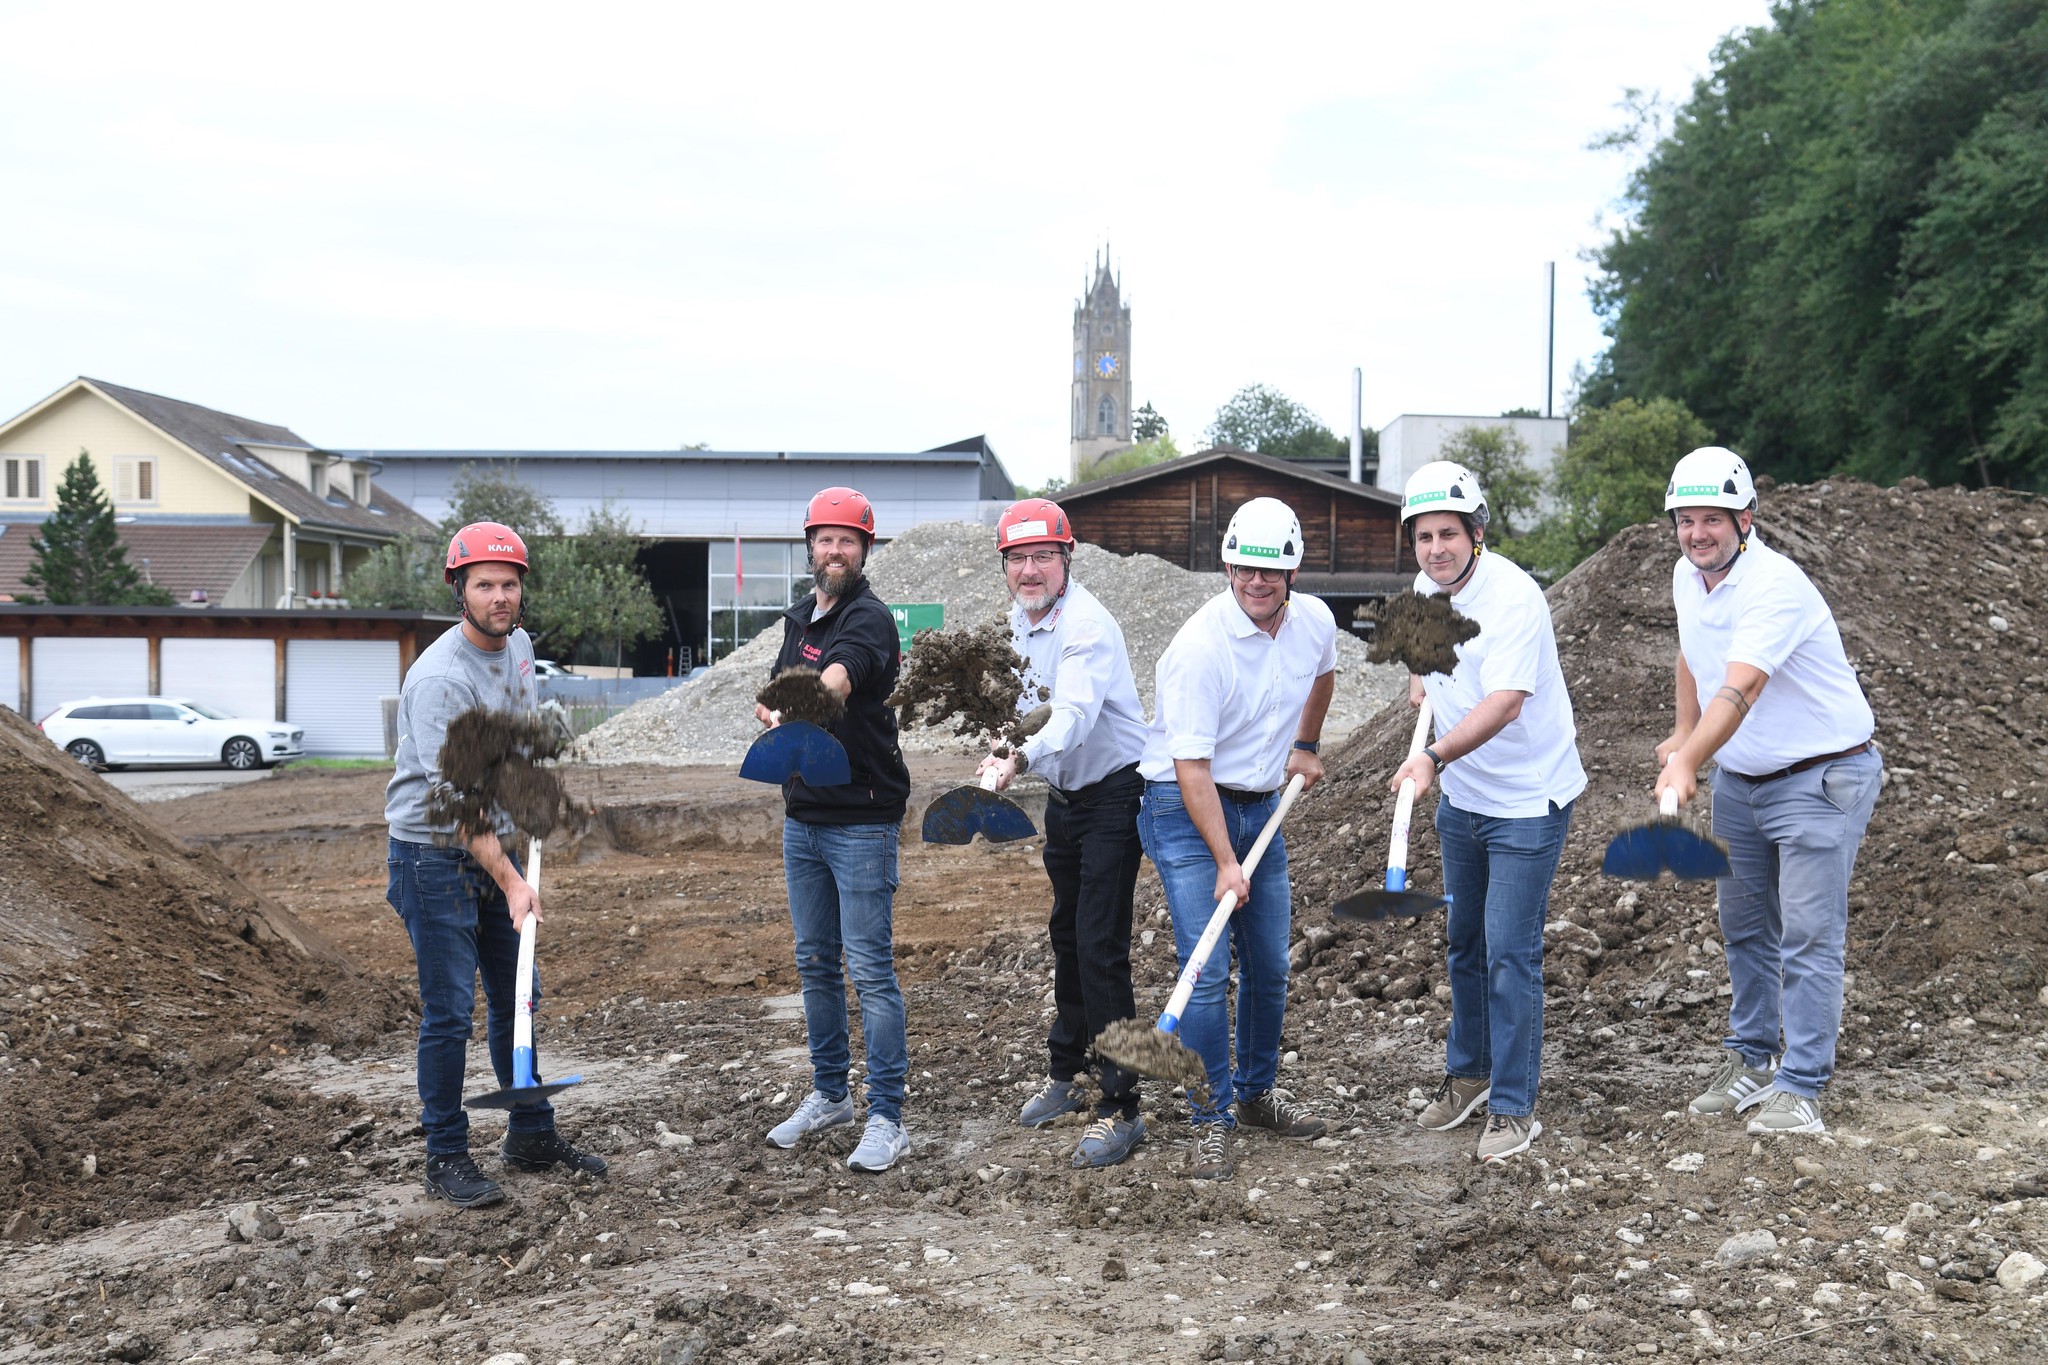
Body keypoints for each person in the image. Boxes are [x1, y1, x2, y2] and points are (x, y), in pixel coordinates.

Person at [1654, 448, 1879, 1136]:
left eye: (1712, 519)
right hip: (1745, 780)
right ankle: (1752, 1060)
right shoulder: (1688, 578)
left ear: (1745, 518)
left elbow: (1743, 685)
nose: (1697, 534)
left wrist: (1690, 758)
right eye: (1686, 520)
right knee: (1746, 927)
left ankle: (1801, 1085)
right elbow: (1693, 655)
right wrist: (1682, 731)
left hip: (1821, 777)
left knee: (1809, 933)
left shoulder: (1774, 585)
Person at [385, 520, 607, 1209]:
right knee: (450, 1012)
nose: (500, 596)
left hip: (498, 847)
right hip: (434, 856)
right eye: (484, 584)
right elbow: (458, 804)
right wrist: (511, 880)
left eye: (509, 583)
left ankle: (531, 1133)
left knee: (521, 995)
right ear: (460, 589)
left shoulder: (520, 649)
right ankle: (445, 1154)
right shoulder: (439, 681)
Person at [1390, 462, 1586, 1163]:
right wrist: (1419, 672)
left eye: (1448, 533)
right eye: (1423, 535)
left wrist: (1432, 758)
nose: (1436, 547)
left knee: (1510, 951)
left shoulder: (1514, 599)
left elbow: (1504, 702)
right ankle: (1470, 1073)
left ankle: (1513, 1105)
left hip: (1526, 800)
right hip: (1466, 802)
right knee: (1465, 944)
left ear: (1477, 532)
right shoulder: (1424, 585)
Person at [1136, 496, 1336, 1180]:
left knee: (1271, 966)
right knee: (1208, 966)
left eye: (1272, 572)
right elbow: (1189, 768)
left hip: (1259, 803)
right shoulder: (1198, 648)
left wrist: (1305, 744)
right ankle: (1209, 1117)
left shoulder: (1314, 622)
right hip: (1186, 808)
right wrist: (1225, 861)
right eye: (1245, 568)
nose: (1258, 582)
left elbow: (1326, 673)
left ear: (1294, 571)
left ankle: (1253, 1095)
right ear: (1226, 564)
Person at [977, 498, 1151, 1169]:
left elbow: (1074, 714)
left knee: (1099, 941)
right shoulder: (1019, 626)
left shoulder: (1087, 625)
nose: (1029, 569)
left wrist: (1018, 757)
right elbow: (1023, 710)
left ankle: (1121, 1105)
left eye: (1042, 556)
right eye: (1017, 558)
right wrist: (1002, 744)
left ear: (1066, 558)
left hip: (1115, 789)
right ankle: (1069, 1069)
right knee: (1064, 932)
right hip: (1065, 793)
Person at [755, 487, 915, 1173]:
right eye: (825, 538)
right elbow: (774, 691)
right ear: (810, 545)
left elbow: (838, 681)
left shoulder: (870, 619)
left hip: (861, 819)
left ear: (865, 549)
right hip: (805, 819)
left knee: (871, 971)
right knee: (816, 963)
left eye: (847, 540)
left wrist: (801, 702)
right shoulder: (800, 618)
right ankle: (829, 1094)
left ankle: (887, 1115)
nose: (835, 550)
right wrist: (772, 712)